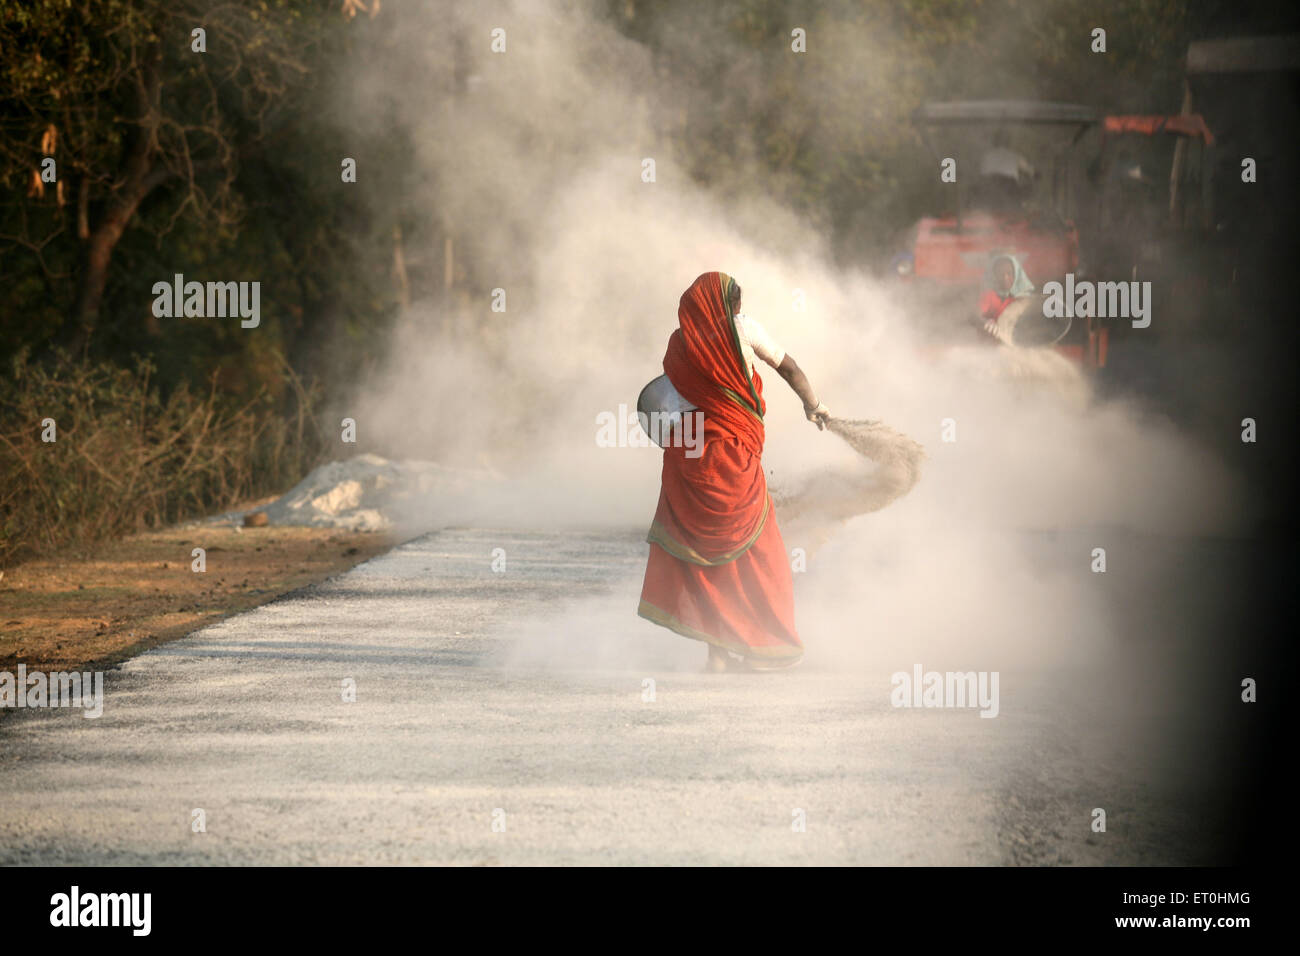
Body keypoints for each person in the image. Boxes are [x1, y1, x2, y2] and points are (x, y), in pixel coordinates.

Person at [638, 272, 829, 673]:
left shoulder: (680, 342)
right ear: (734, 306)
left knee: (702, 558)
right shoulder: (744, 327)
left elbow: (668, 401)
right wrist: (813, 405)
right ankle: (763, 646)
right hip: (733, 459)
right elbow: (789, 368)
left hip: (689, 460)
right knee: (764, 553)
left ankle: (718, 654)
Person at [978, 253, 1034, 336]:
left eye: (1009, 273)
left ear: (1016, 274)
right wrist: (988, 321)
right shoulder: (989, 295)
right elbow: (979, 315)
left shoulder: (1026, 299)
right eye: (1000, 274)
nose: (1005, 277)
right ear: (994, 276)